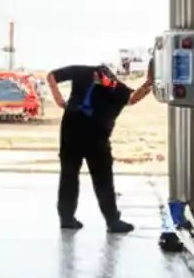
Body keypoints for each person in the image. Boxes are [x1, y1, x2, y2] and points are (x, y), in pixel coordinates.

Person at [46, 60, 155, 233]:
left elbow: (133, 99)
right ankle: (84, 219)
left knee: (86, 177)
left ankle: (99, 220)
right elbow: (51, 76)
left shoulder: (116, 89)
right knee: (84, 176)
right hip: (80, 134)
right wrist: (59, 99)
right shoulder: (83, 72)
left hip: (87, 135)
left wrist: (149, 83)